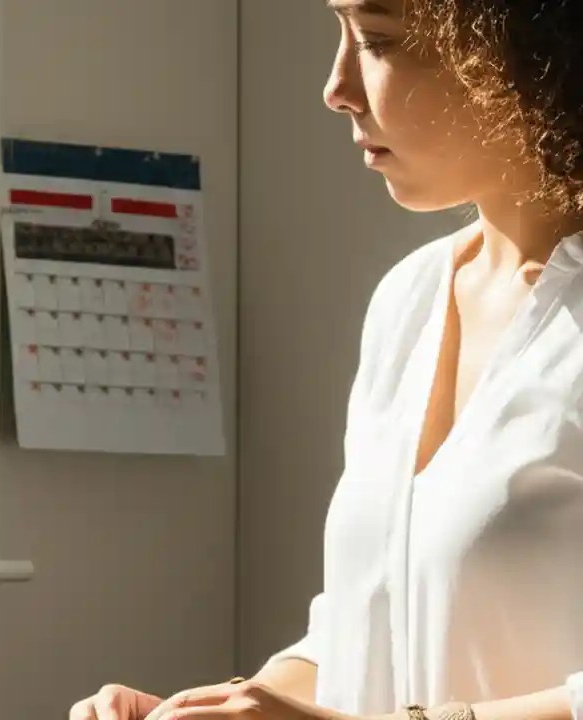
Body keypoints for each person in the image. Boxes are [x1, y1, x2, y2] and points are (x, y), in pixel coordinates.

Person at [70, 0, 583, 719]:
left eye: (375, 40)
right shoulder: (408, 298)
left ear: (516, 49)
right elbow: (361, 632)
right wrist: (222, 706)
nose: (336, 87)